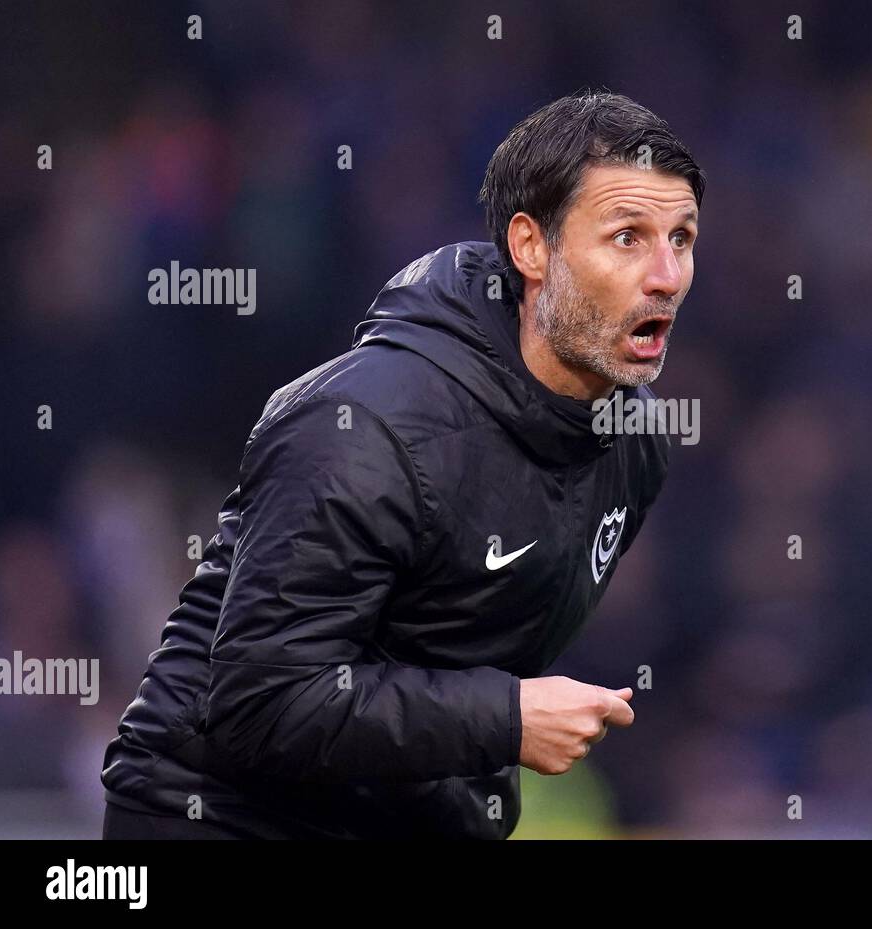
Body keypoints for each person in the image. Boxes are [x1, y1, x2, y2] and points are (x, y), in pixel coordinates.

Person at [100, 89, 705, 839]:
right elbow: (259, 701)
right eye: (627, 238)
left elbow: (460, 649)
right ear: (532, 248)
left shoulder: (634, 443)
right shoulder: (367, 424)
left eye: (680, 239)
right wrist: (505, 719)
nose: (667, 276)